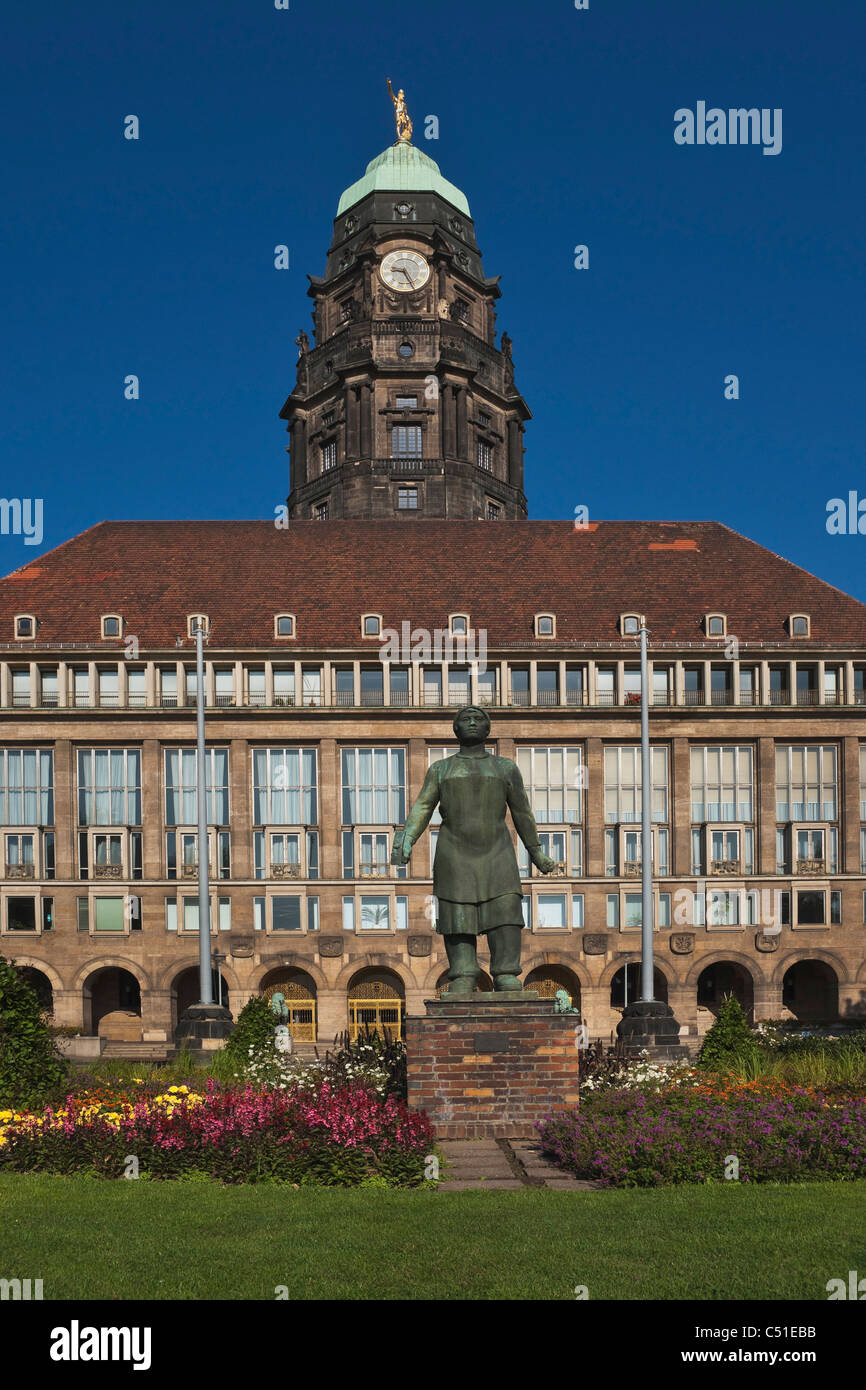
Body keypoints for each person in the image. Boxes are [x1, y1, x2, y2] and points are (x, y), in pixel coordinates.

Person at [391, 705, 555, 994]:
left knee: (505, 911)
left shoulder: (505, 768)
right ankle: (463, 974)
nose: (471, 723)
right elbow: (423, 807)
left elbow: (522, 813)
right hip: (455, 854)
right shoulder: (441, 769)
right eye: (464, 719)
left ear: (488, 729)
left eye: (478, 719)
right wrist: (407, 839)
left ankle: (505, 973)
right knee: (457, 915)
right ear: (455, 729)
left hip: (498, 852)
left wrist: (536, 851)